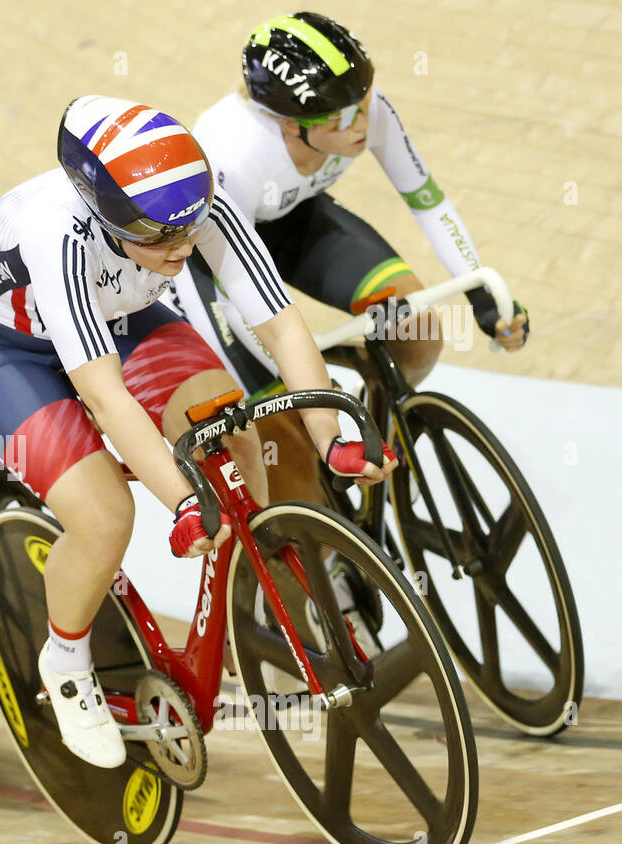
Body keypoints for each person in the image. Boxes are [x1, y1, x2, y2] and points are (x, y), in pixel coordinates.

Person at [0, 95, 395, 768]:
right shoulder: (54, 230)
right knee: (104, 517)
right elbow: (103, 394)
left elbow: (280, 324)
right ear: (101, 212)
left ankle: (237, 606)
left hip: (123, 318)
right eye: (158, 237)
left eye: (187, 230)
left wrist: (332, 437)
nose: (182, 249)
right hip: (6, 350)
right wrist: (184, 502)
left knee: (233, 433)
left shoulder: (188, 200)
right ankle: (65, 662)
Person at [169, 11, 529, 505]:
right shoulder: (234, 154)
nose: (362, 122)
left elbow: (427, 199)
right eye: (341, 117)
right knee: (286, 445)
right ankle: (316, 551)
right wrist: (303, 386)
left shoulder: (364, 109)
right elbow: (249, 305)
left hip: (292, 221)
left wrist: (479, 292)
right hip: (213, 263)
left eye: (362, 104)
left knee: (417, 331)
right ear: (290, 127)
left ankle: (380, 441)